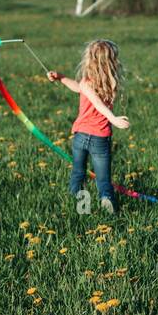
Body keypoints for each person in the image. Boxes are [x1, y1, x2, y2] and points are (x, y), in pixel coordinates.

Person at [47, 40, 130, 213]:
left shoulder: (88, 83)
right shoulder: (110, 85)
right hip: (100, 137)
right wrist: (61, 77)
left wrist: (113, 119)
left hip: (81, 136)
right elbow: (87, 95)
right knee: (103, 178)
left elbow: (90, 97)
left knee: (78, 172)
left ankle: (77, 202)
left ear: (89, 60)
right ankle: (106, 200)